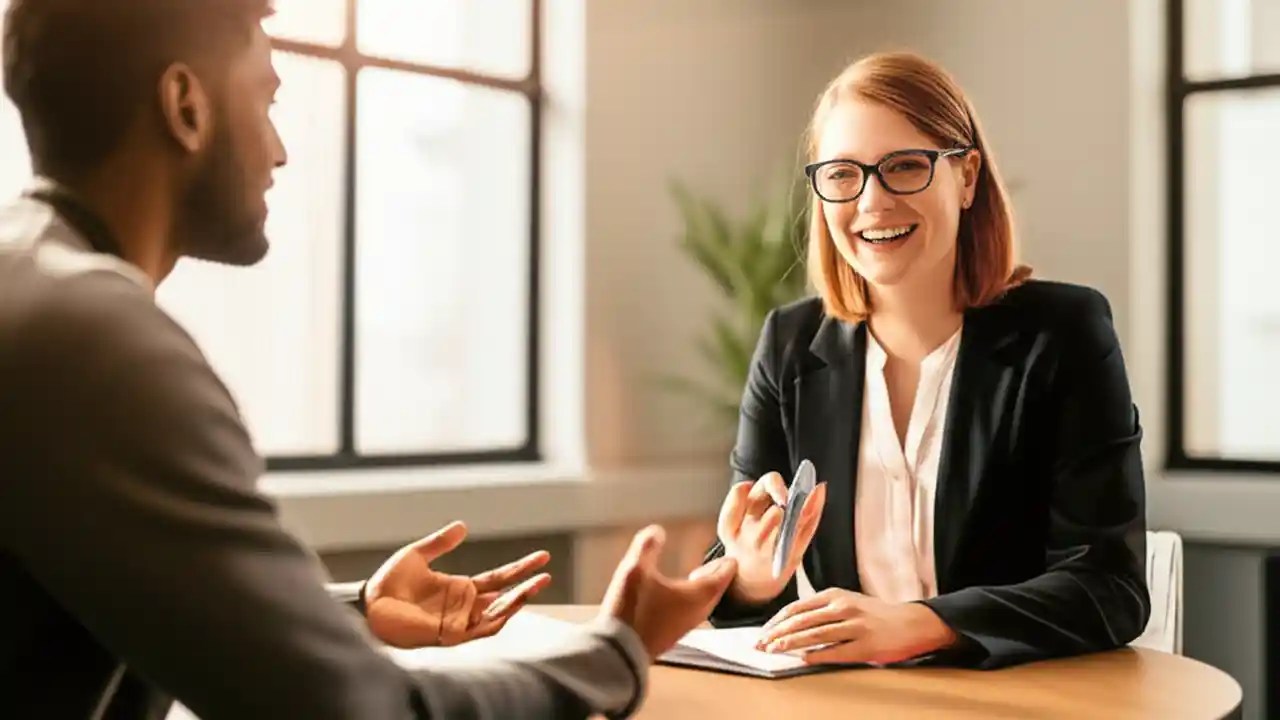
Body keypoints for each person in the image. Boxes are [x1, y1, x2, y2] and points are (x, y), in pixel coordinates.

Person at [0, 1, 738, 718]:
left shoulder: (32, 289)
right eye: (266, 99)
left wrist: (349, 613)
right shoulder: (98, 343)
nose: (280, 149)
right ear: (185, 105)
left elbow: (126, 577)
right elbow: (360, 709)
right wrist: (613, 654)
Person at [702, 51, 1150, 670]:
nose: (872, 202)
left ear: (966, 178)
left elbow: (1108, 586)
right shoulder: (790, 343)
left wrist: (923, 625)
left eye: (905, 167)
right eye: (842, 175)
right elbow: (734, 588)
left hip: (1017, 706)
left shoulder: (1064, 333)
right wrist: (753, 574)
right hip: (855, 706)